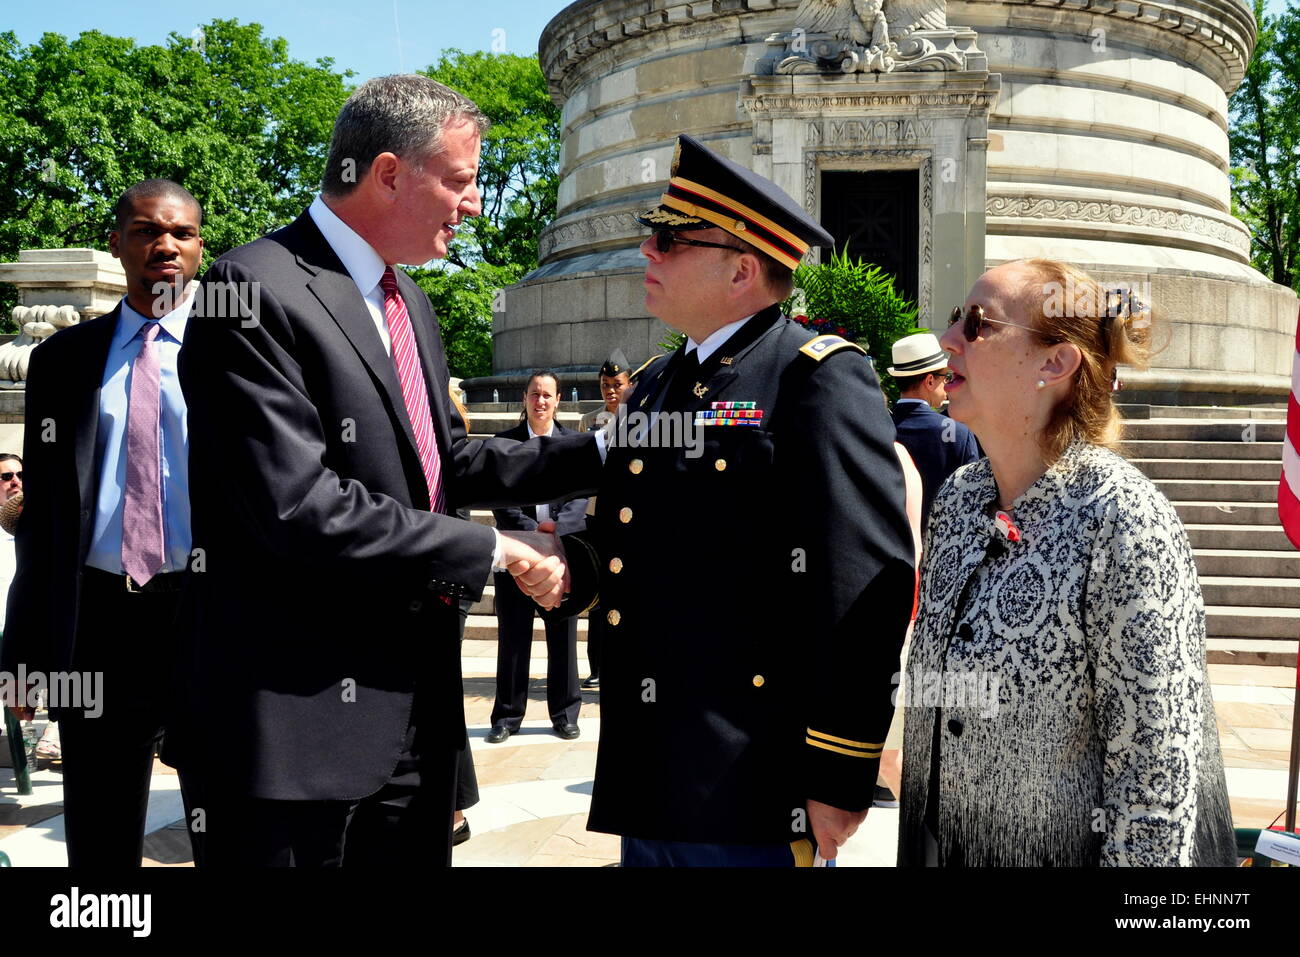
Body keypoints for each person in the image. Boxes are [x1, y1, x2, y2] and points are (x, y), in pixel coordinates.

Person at [174, 75, 604, 867]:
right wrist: (494, 552)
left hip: (415, 728)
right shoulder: (249, 289)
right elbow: (297, 505)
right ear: (389, 174)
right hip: (293, 739)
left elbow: (448, 461)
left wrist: (605, 450)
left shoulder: (409, 299)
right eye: (463, 180)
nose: (474, 205)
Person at [572, 134, 916, 866]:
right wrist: (567, 569)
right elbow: (641, 541)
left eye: (669, 239)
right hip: (653, 770)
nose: (648, 253)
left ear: (742, 268)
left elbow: (863, 586)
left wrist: (840, 772)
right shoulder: (663, 378)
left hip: (753, 784)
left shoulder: (815, 376)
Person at [899, 258, 1237, 866]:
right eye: (955, 318)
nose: (948, 339)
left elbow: (1155, 789)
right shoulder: (958, 498)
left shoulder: (1126, 520)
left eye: (977, 325)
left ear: (1054, 364)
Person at [0, 179, 206, 865]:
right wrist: (23, 659)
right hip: (99, 626)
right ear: (118, 243)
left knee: (233, 826)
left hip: (208, 621)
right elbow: (44, 526)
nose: (165, 245)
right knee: (99, 831)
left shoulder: (239, 353)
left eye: (181, 233)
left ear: (200, 248)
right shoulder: (62, 362)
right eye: (147, 231)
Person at [486, 371, 588, 743]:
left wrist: (555, 535)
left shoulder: (576, 444)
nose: (540, 401)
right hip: (516, 555)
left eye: (547, 395)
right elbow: (501, 497)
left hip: (562, 555)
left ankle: (564, 713)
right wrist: (532, 536)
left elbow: (580, 497)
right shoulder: (504, 444)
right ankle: (507, 716)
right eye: (534, 395)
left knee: (563, 635)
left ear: (558, 400)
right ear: (525, 399)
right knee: (513, 635)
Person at [578, 350, 635, 690]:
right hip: (596, 515)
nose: (611, 391)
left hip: (628, 515)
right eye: (605, 385)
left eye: (617, 384)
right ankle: (596, 666)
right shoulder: (588, 421)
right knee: (598, 594)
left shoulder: (643, 419)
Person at [887, 332, 981, 530]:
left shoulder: (877, 427)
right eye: (945, 377)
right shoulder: (958, 432)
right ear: (929, 381)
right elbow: (973, 498)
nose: (947, 384)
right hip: (943, 544)